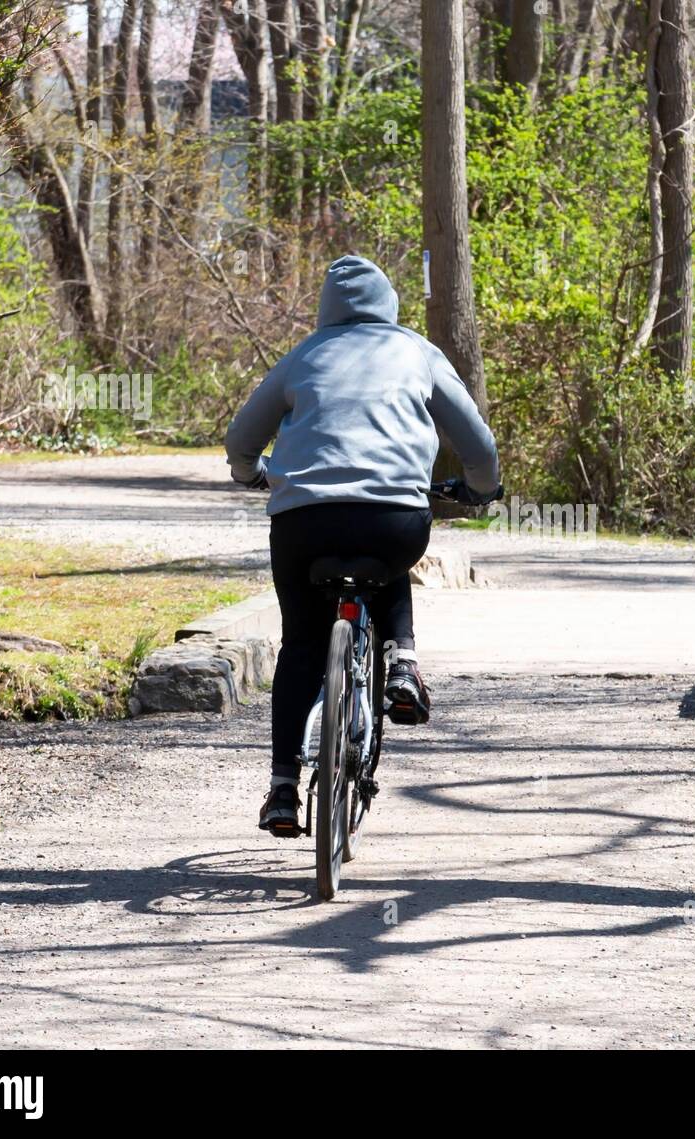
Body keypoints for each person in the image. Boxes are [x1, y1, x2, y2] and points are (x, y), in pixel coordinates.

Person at [224, 254, 500, 835]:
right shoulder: (416, 351)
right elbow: (476, 439)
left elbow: (242, 437)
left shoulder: (305, 354)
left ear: (326, 308)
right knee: (389, 563)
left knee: (301, 644)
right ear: (389, 303)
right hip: (392, 520)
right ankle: (402, 660)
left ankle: (281, 787)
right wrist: (481, 487)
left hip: (303, 525)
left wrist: (251, 472)